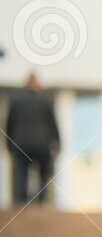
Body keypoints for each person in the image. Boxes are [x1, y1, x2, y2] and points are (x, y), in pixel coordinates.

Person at [6, 72, 61, 207]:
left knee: (21, 175)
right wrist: (58, 143)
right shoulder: (46, 99)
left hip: (21, 144)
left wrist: (8, 144)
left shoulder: (15, 100)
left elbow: (9, 124)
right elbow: (53, 123)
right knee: (43, 174)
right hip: (42, 144)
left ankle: (21, 204)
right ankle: (41, 203)